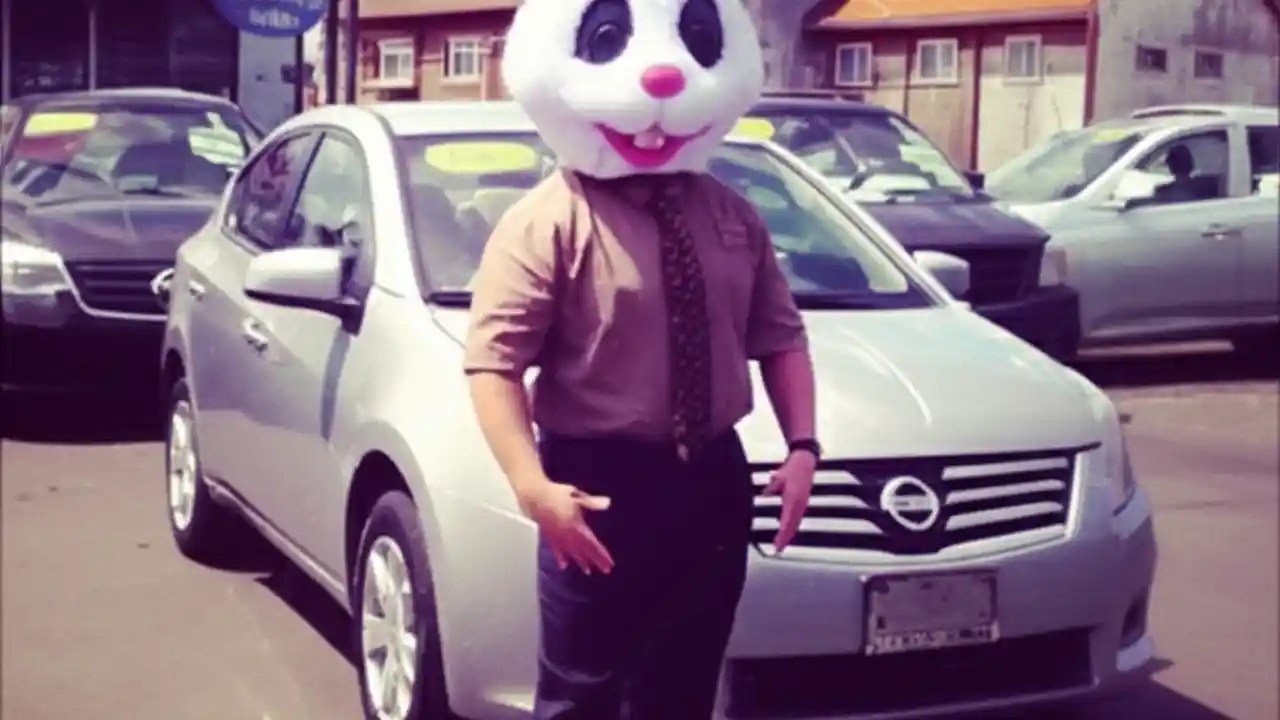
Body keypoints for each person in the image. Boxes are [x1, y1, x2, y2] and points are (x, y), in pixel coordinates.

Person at [464, 0, 819, 718]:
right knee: (581, 694)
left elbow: (780, 337)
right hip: (598, 489)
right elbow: (493, 364)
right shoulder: (547, 220)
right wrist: (534, 486)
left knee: (682, 689)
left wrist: (803, 446)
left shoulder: (730, 212)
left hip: (713, 482)